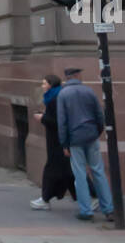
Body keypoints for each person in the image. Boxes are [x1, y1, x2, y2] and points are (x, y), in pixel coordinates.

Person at [56, 66, 115, 223]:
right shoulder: (88, 91)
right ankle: (108, 209)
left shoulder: (63, 94)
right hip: (91, 135)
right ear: (76, 76)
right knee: (98, 171)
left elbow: (62, 123)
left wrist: (64, 144)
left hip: (75, 138)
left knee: (80, 174)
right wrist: (96, 132)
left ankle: (86, 210)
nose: (81, 76)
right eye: (80, 74)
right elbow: (99, 115)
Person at [31, 74, 76, 211]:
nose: (42, 86)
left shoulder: (55, 99)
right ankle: (91, 195)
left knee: (55, 169)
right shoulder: (54, 96)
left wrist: (42, 118)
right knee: (68, 171)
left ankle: (45, 199)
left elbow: (58, 121)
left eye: (44, 83)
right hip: (57, 140)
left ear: (51, 85)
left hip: (58, 141)